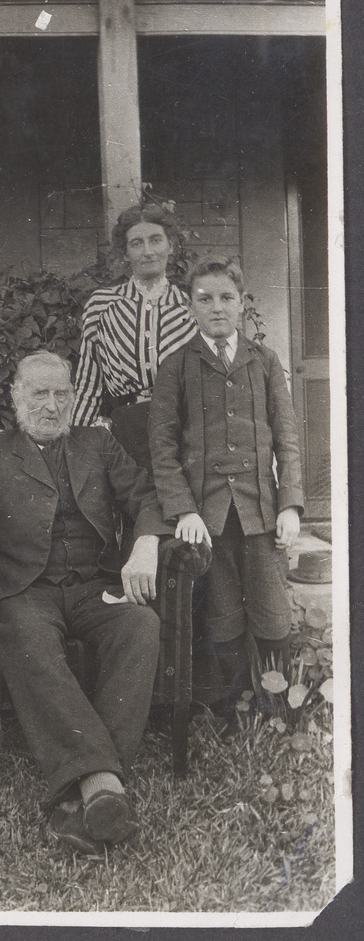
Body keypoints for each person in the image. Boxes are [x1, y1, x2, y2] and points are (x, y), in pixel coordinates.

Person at [0, 352, 169, 855]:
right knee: (27, 636)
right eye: (39, 393)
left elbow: (146, 497)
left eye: (62, 394)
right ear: (16, 398)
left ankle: (84, 796)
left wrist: (146, 543)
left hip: (93, 585)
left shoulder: (98, 443)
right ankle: (102, 787)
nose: (51, 406)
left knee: (140, 625)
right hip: (26, 591)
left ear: (74, 397)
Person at [148, 256, 304, 715]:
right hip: (208, 515)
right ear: (191, 306)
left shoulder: (265, 361)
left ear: (240, 303)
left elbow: (287, 438)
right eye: (205, 299)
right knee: (221, 615)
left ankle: (278, 708)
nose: (217, 308)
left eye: (226, 298)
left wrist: (291, 505)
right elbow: (162, 449)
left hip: (260, 509)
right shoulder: (176, 367)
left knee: (272, 609)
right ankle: (235, 709)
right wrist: (184, 510)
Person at [71, 201, 197, 473]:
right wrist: (77, 445)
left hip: (183, 429)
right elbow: (87, 383)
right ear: (125, 253)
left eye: (156, 241)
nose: (148, 251)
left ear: (171, 246)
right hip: (127, 429)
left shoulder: (191, 307)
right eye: (137, 243)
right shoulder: (102, 304)